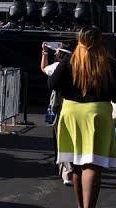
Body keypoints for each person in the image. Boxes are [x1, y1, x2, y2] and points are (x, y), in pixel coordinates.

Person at [49, 27, 116, 208]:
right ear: (99, 41)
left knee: (77, 163)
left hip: (71, 111)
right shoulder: (106, 62)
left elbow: (53, 82)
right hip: (97, 112)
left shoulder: (70, 59)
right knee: (93, 164)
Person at [42, 41, 75, 186]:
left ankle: (65, 169)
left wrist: (43, 53)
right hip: (76, 105)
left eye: (56, 52)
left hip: (61, 106)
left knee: (60, 137)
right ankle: (69, 167)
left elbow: (43, 68)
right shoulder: (78, 66)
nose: (54, 53)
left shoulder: (57, 67)